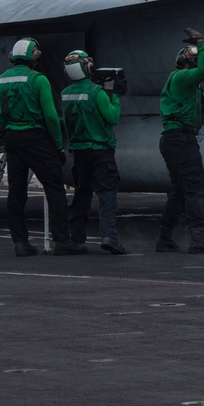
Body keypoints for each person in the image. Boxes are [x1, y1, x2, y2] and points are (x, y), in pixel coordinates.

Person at [0, 37, 85, 257]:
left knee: (16, 192)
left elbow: (0, 117)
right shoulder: (38, 79)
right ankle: (62, 241)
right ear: (35, 56)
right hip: (36, 138)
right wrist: (57, 146)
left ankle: (20, 242)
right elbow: (51, 117)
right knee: (54, 189)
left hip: (13, 137)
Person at [156, 28, 204, 254]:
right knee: (196, 188)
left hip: (175, 140)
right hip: (180, 140)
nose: (198, 64)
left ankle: (165, 238)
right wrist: (202, 43)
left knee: (179, 190)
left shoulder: (191, 88)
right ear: (187, 62)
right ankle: (197, 238)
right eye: (195, 60)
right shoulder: (180, 77)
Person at [60, 50, 127, 255]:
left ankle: (77, 239)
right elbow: (113, 117)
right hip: (100, 149)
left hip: (79, 151)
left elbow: (68, 123)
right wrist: (113, 96)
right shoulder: (97, 92)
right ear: (86, 67)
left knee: (82, 194)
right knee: (106, 193)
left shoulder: (65, 94)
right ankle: (109, 236)